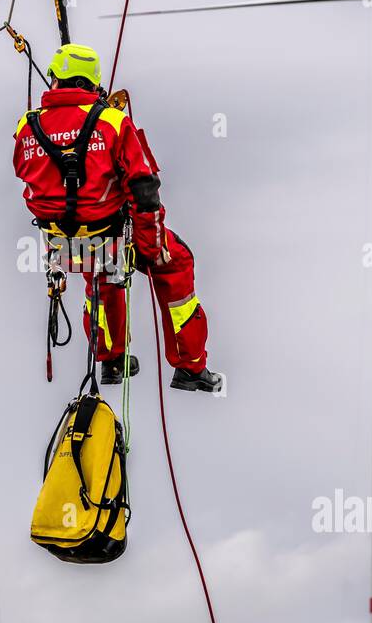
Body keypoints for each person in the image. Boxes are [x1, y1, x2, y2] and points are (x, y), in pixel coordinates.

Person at [13, 43, 221, 392]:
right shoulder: (112, 121)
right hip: (111, 232)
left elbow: (23, 169)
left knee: (101, 275)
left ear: (55, 79)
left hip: (62, 242)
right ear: (93, 83)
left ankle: (110, 359)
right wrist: (152, 244)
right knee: (175, 263)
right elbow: (144, 185)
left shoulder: (26, 124)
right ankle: (190, 367)